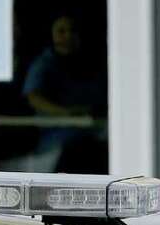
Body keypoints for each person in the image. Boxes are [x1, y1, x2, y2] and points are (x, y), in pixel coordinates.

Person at [22, 13, 107, 171]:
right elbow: (33, 97)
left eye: (72, 31)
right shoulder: (44, 64)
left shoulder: (91, 64)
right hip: (56, 143)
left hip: (94, 135)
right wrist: (67, 113)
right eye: (61, 31)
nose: (67, 36)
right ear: (52, 35)